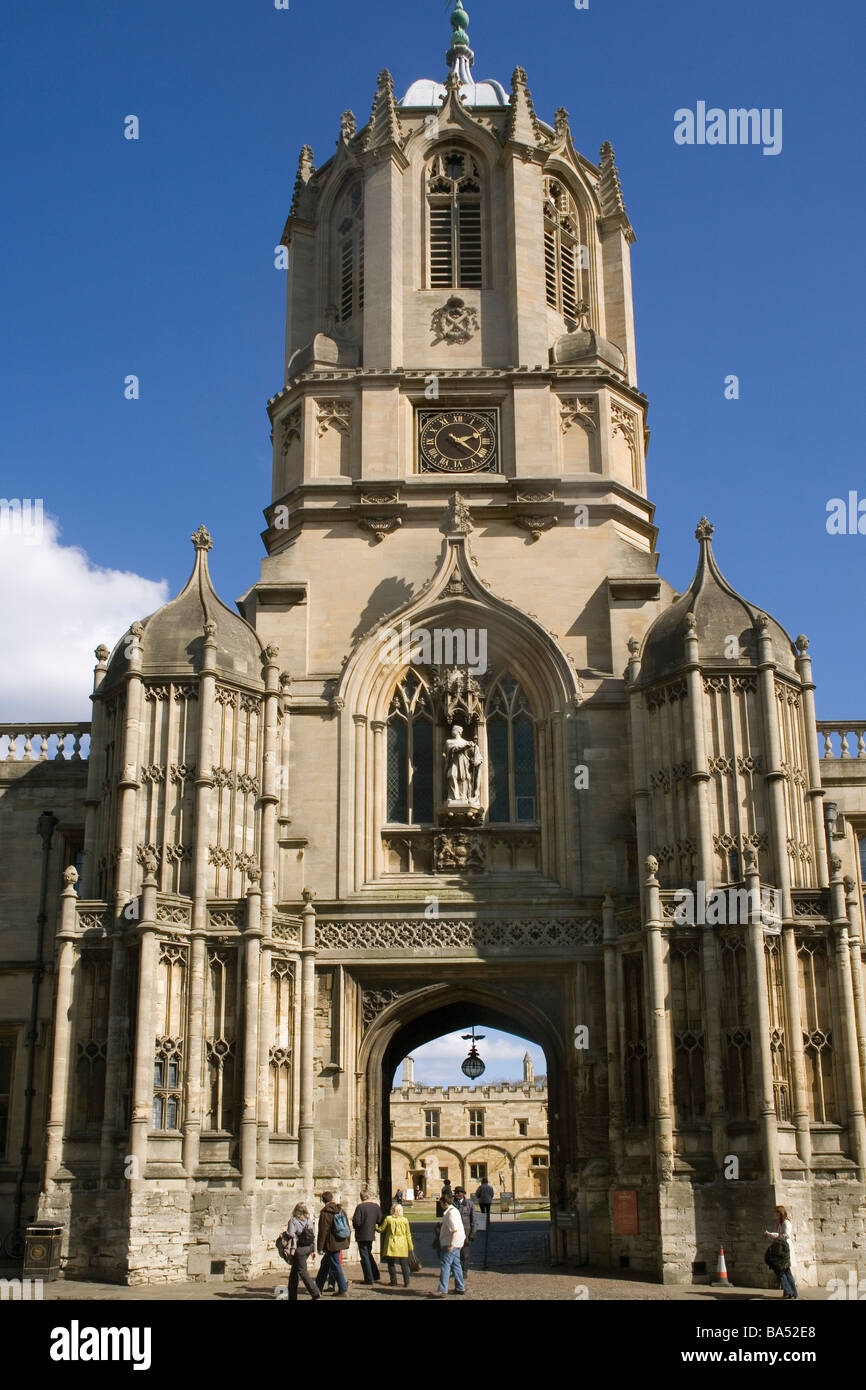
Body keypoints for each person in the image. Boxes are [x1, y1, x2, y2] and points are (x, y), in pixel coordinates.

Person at [283, 1202, 321, 1301]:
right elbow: (312, 1233)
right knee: (294, 1273)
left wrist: (284, 1234)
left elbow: (291, 1234)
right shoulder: (308, 1220)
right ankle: (292, 1296)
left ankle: (315, 1292)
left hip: (299, 1248)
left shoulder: (293, 1220)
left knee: (302, 1271)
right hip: (309, 1246)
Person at [315, 1191, 350, 1296]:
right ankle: (317, 1287)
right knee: (325, 1264)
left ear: (323, 1200)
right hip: (340, 1241)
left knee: (335, 1265)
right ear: (332, 1198)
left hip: (331, 1243)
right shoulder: (340, 1210)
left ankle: (343, 1289)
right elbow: (347, 1226)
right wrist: (347, 1240)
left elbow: (323, 1231)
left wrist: (320, 1247)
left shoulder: (326, 1212)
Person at [434, 1195, 466, 1297]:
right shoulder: (454, 1211)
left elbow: (454, 1229)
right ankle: (460, 1287)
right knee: (456, 1265)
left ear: (445, 1203)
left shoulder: (451, 1213)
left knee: (445, 1265)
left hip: (450, 1243)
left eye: (441, 1203)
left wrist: (451, 1244)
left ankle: (442, 1290)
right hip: (457, 1242)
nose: (440, 1205)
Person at [377, 1202, 414, 1288]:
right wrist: (410, 1246)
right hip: (402, 1243)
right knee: (404, 1264)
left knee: (391, 1263)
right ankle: (406, 1281)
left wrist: (375, 1227)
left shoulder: (388, 1219)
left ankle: (393, 1281)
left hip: (391, 1243)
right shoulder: (405, 1220)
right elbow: (408, 1234)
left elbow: (381, 1229)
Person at [764, 1205, 797, 1300]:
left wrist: (772, 1234)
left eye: (776, 1213)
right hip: (781, 1249)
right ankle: (792, 1293)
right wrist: (771, 1235)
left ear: (780, 1213)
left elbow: (785, 1236)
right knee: (785, 1271)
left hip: (784, 1250)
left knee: (781, 1271)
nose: (774, 1214)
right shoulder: (780, 1223)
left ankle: (789, 1292)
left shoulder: (786, 1223)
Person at [352, 1189, 383, 1286]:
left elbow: (357, 1222)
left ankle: (369, 1278)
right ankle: (375, 1274)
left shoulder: (360, 1207)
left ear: (361, 1197)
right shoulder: (376, 1207)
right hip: (371, 1234)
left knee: (364, 1256)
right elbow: (380, 1219)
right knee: (368, 1254)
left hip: (362, 1234)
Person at [452, 1187, 476, 1282]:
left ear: (463, 1193)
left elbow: (473, 1219)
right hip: (455, 1232)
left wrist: (473, 1232)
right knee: (455, 1253)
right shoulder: (453, 1204)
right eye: (456, 1192)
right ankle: (456, 1271)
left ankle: (464, 1271)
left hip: (466, 1232)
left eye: (458, 1193)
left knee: (465, 1254)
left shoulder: (469, 1204)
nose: (456, 1194)